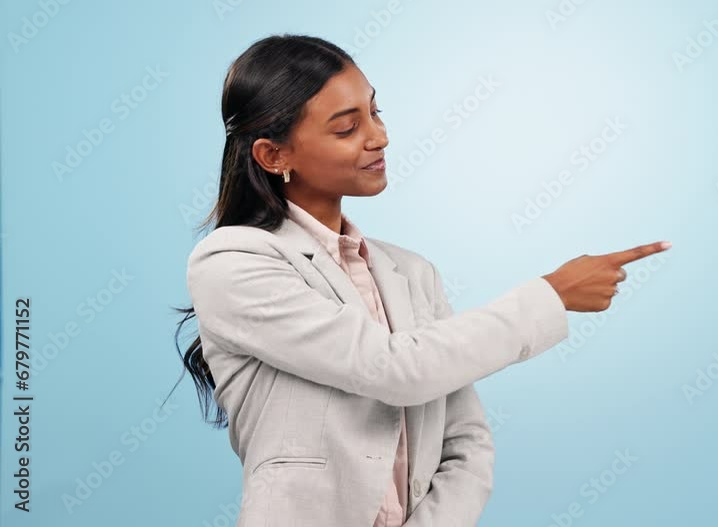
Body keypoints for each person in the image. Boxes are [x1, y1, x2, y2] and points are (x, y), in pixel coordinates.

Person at [172, 34, 671, 527]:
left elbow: (466, 444)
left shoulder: (412, 273)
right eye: (347, 128)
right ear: (273, 155)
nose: (379, 137)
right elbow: (393, 369)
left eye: (375, 112)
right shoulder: (231, 262)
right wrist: (551, 296)